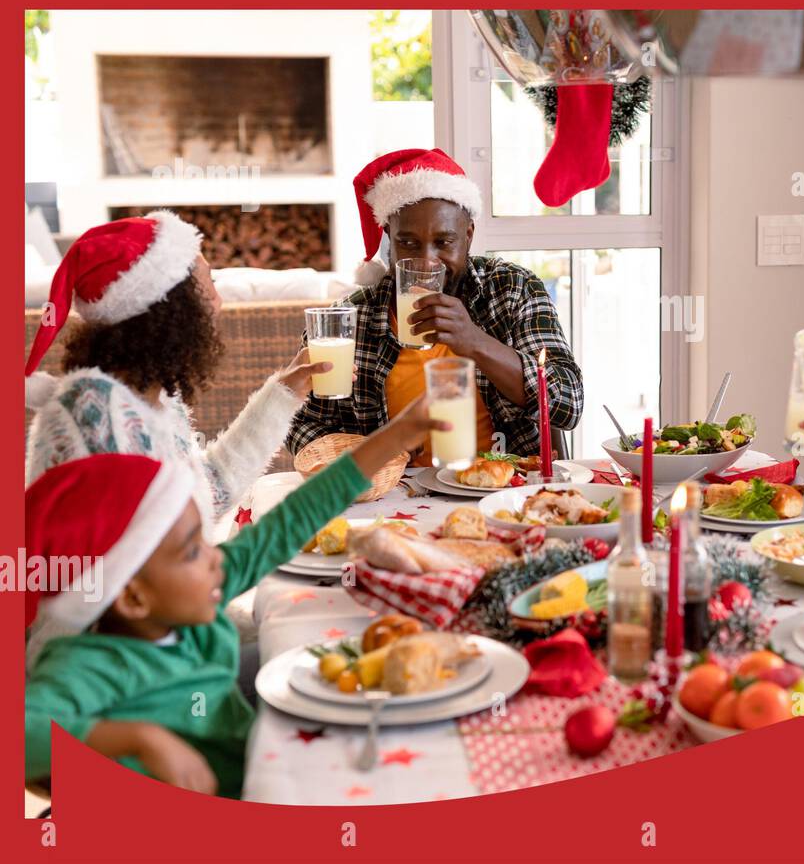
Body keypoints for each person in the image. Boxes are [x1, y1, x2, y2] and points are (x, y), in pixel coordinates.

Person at [24, 395, 446, 797]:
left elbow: (292, 519)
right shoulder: (89, 664)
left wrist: (395, 435)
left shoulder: (187, 602)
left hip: (265, 768)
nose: (216, 558)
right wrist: (139, 738)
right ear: (134, 599)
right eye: (192, 550)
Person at [25, 211, 326, 534]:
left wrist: (283, 394)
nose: (218, 301)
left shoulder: (153, 398)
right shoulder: (98, 419)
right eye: (207, 284)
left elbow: (207, 493)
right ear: (172, 309)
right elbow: (145, 563)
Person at [287, 148, 583, 463]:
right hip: (397, 499)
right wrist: (373, 453)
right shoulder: (354, 319)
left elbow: (569, 404)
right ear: (389, 238)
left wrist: (475, 342)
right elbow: (300, 423)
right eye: (408, 243)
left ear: (468, 236)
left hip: (504, 493)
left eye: (443, 243)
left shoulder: (513, 290)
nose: (427, 263)